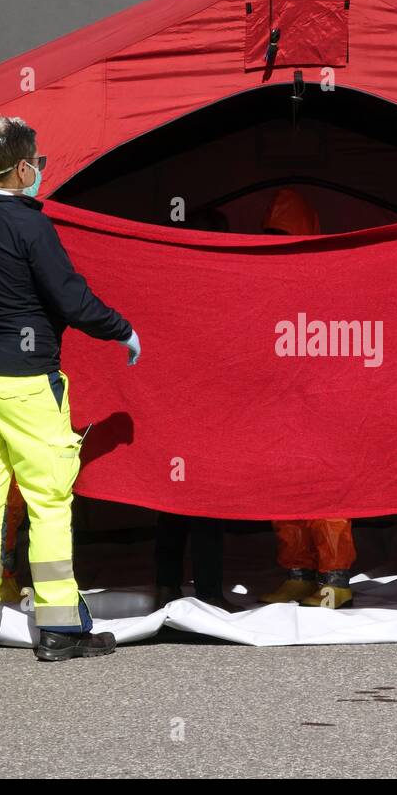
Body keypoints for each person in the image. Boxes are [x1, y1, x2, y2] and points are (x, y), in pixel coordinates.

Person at [0, 116, 141, 661]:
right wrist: (120, 328)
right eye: (40, 163)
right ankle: (59, 630)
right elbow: (71, 299)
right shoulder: (31, 227)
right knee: (48, 501)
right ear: (24, 168)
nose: (40, 172)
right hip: (25, 382)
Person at [254, 188, 358, 609]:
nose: (276, 243)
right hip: (280, 400)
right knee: (285, 488)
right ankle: (298, 574)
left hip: (322, 400)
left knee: (327, 492)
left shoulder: (331, 279)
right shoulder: (264, 281)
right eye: (271, 235)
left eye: (282, 234)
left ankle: (336, 578)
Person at [154, 207, 234, 610]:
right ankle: (208, 591)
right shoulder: (218, 285)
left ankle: (168, 585)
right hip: (203, 404)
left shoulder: (169, 284)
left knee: (175, 498)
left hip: (177, 403)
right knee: (205, 502)